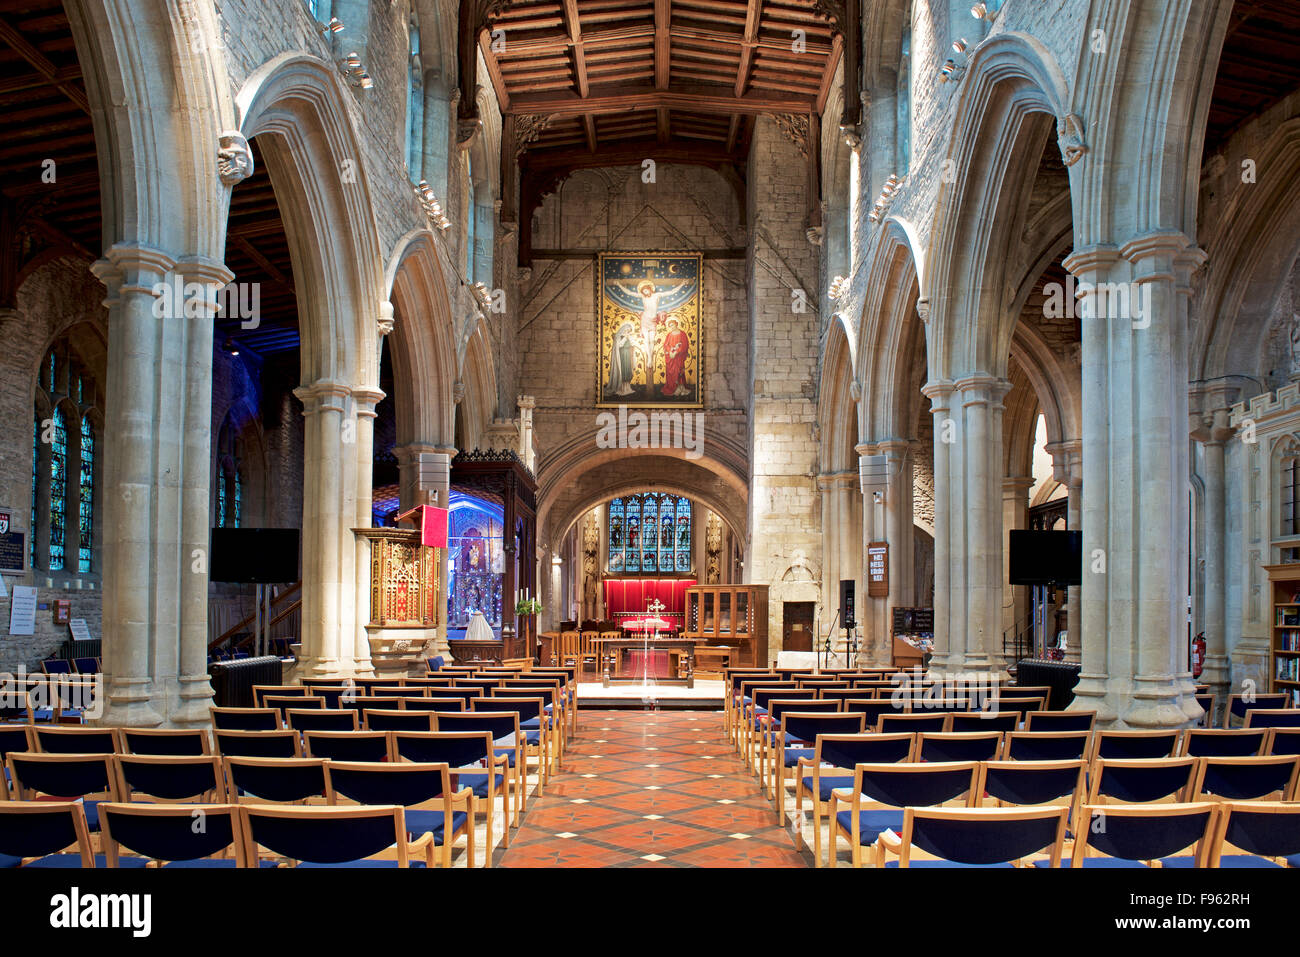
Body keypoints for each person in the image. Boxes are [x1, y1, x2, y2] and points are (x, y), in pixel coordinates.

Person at [606, 321, 641, 397]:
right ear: (623, 329)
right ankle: (621, 389)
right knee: (623, 370)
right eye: (626, 330)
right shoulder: (619, 337)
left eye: (629, 331)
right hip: (621, 356)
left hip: (628, 355)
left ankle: (628, 388)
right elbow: (619, 345)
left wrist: (630, 339)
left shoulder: (629, 337)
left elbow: (633, 344)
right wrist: (625, 337)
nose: (627, 332)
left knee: (628, 370)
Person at [661, 316, 690, 396]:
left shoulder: (682, 334)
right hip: (671, 357)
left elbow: (684, 346)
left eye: (672, 325)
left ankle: (679, 388)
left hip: (679, 358)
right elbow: (666, 345)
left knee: (679, 371)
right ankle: (672, 388)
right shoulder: (669, 335)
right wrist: (670, 351)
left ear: (676, 324)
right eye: (670, 326)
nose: (671, 327)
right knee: (671, 373)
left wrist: (676, 352)